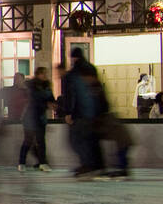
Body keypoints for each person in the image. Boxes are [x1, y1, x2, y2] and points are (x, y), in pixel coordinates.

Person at [64, 48, 107, 177]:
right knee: (92, 139)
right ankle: (98, 165)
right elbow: (100, 91)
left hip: (81, 113)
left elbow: (72, 94)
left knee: (78, 140)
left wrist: (68, 112)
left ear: (73, 58)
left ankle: (88, 165)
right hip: (94, 112)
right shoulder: (91, 69)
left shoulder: (75, 73)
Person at [18, 68, 55, 171]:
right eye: (42, 74)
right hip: (30, 118)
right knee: (28, 140)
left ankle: (42, 163)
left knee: (40, 141)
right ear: (38, 75)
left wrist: (52, 103)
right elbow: (35, 100)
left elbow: (50, 98)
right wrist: (47, 103)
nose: (44, 76)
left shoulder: (46, 86)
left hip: (40, 117)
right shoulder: (32, 87)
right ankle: (22, 162)